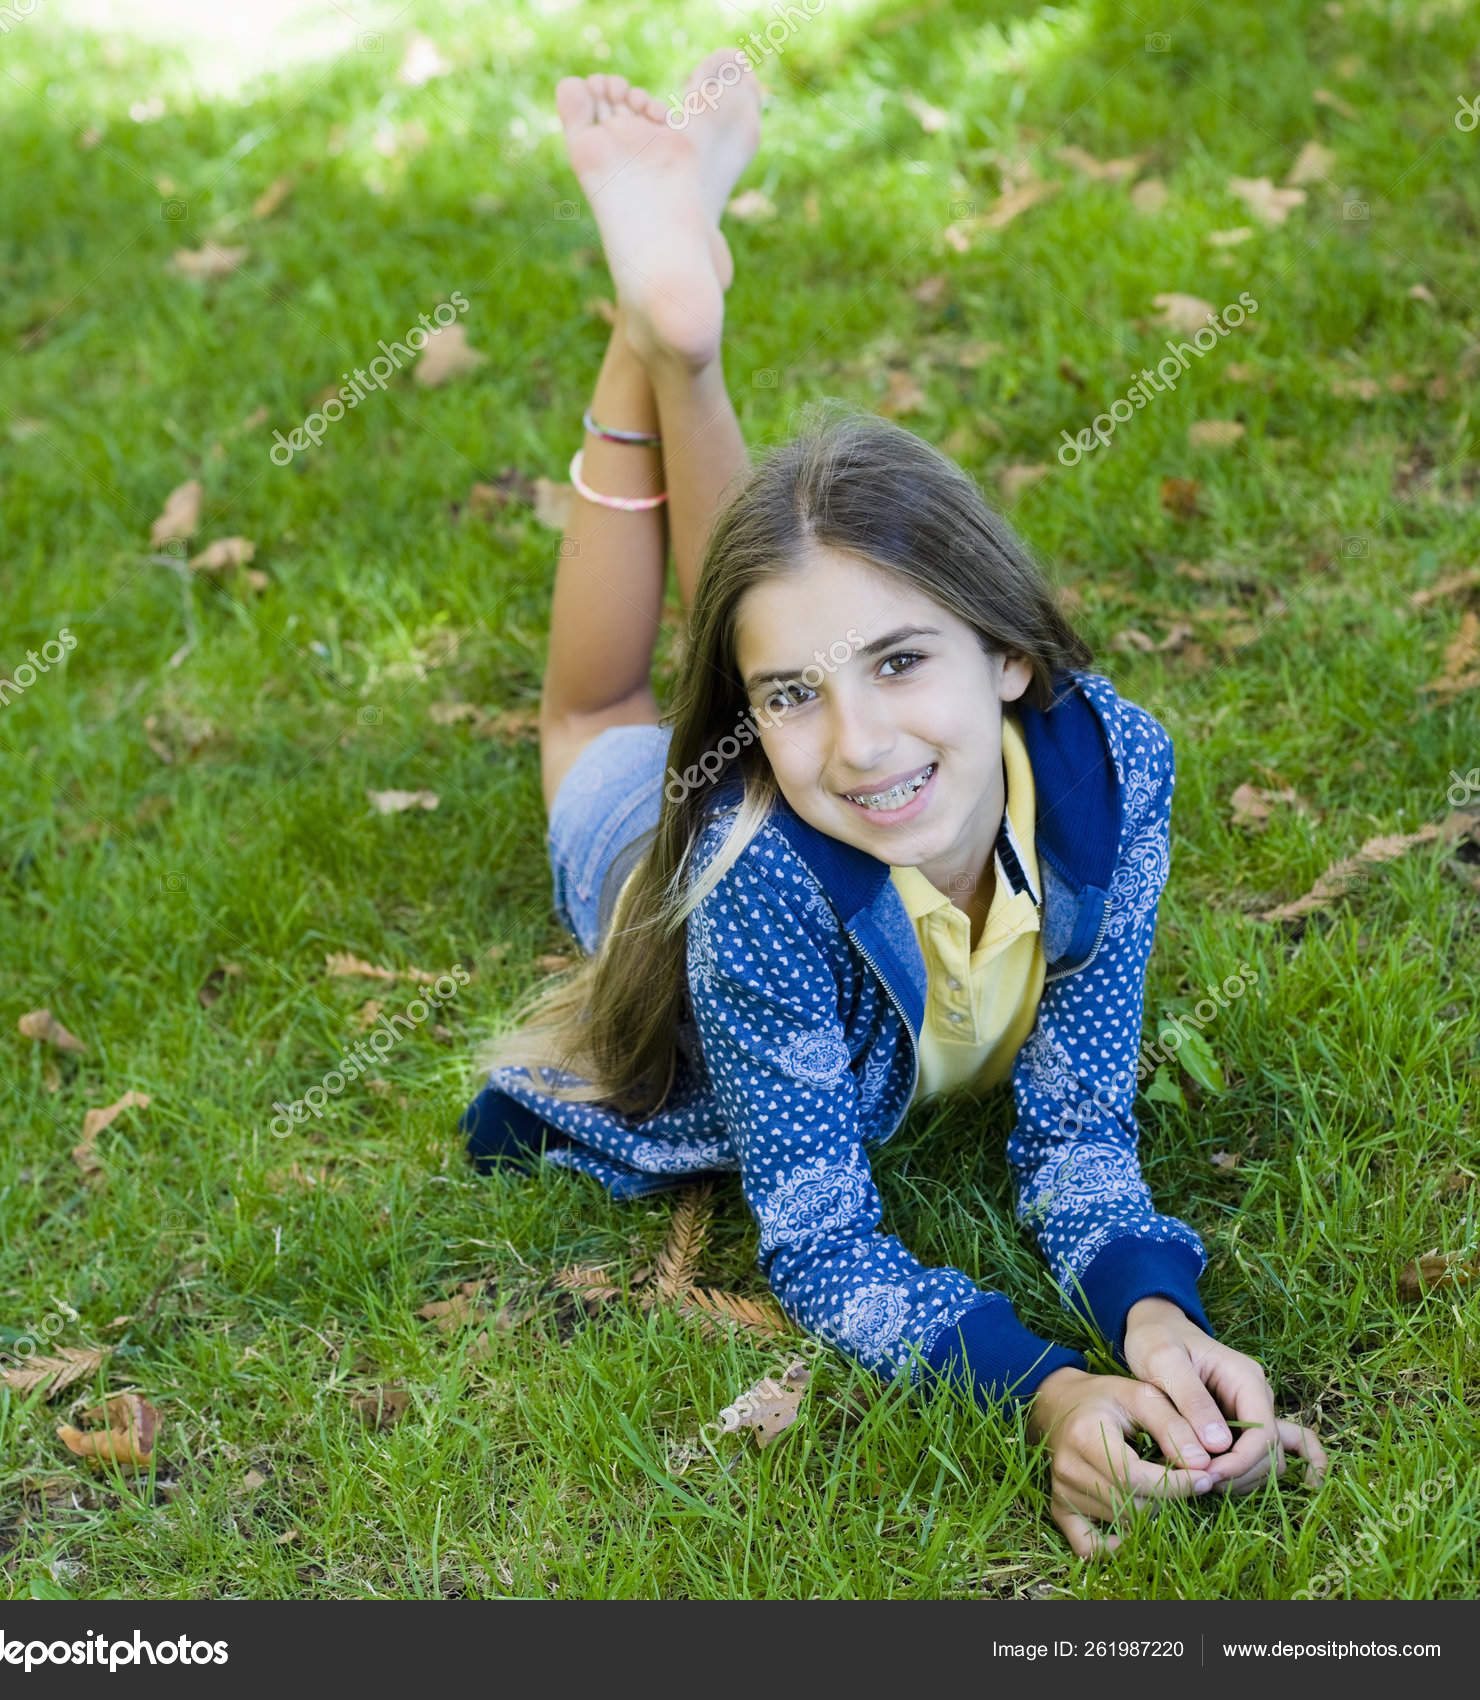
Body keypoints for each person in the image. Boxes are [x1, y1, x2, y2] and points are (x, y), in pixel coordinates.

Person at [459, 51, 1327, 1559]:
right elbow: (819, 1236)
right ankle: (656, 330)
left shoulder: (1111, 775)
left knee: (781, 596)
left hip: (806, 758)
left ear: (1010, 655)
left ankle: (677, 313)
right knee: (595, 721)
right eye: (786, 698)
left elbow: (1074, 1131)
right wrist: (1045, 1391)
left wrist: (1154, 1315)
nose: (859, 746)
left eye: (906, 660)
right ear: (746, 723)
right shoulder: (753, 897)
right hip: (658, 852)